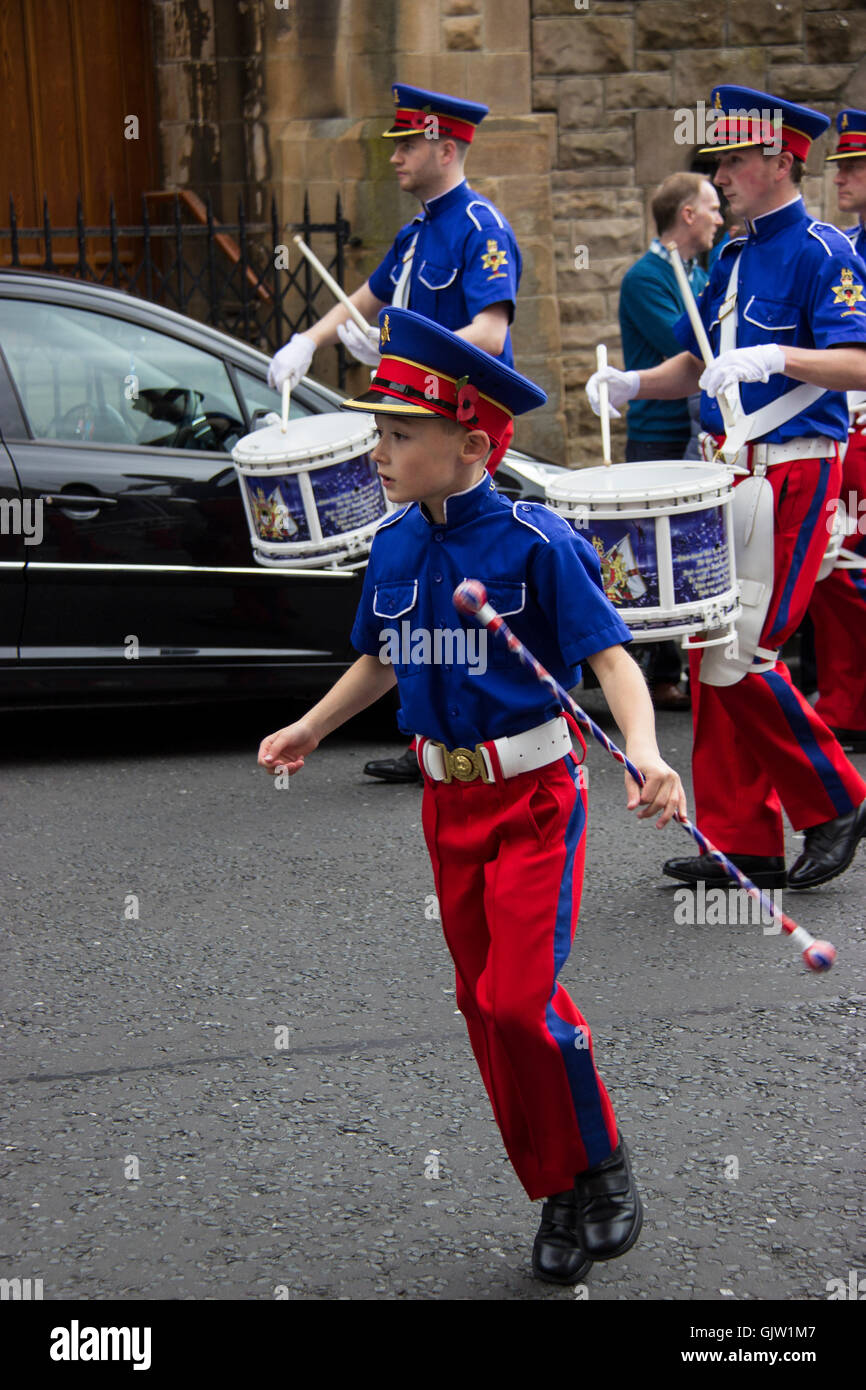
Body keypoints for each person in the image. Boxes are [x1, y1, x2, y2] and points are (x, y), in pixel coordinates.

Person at [258, 307, 687, 1285]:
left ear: (468, 443)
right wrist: (310, 728)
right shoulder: (397, 545)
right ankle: (555, 1187)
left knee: (517, 996)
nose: (377, 450)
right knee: (481, 1007)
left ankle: (601, 1162)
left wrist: (645, 751)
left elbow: (611, 659)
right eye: (377, 432)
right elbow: (380, 659)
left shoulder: (537, 543)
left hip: (534, 796)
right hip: (447, 809)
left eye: (397, 436)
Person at [586, 84, 866, 892]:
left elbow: (857, 361)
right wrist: (634, 386)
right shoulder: (734, 257)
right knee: (714, 654)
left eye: (736, 159)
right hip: (728, 473)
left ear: (781, 160)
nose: (723, 176)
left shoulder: (823, 251)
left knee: (749, 652)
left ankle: (836, 799)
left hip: (795, 467)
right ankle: (742, 840)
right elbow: (694, 361)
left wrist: (779, 358)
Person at [270, 82, 524, 785]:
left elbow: (490, 333)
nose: (398, 157)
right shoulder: (416, 234)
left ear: (448, 147)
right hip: (412, 419)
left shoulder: (480, 226)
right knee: (414, 576)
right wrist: (309, 339)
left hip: (459, 427)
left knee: (458, 575)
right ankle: (426, 730)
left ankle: (462, 721)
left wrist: (403, 354)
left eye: (409, 144)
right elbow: (367, 299)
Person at [618, 172, 723, 711]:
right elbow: (691, 346)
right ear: (686, 215)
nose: (719, 218)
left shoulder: (699, 270)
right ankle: (656, 673)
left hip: (694, 433)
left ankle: (683, 662)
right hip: (658, 438)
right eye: (711, 208)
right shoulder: (647, 277)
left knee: (692, 549)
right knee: (648, 557)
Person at [806, 109, 866, 753]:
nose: (841, 176)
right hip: (846, 430)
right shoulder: (847, 247)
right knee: (838, 570)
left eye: (853, 165)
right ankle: (849, 702)